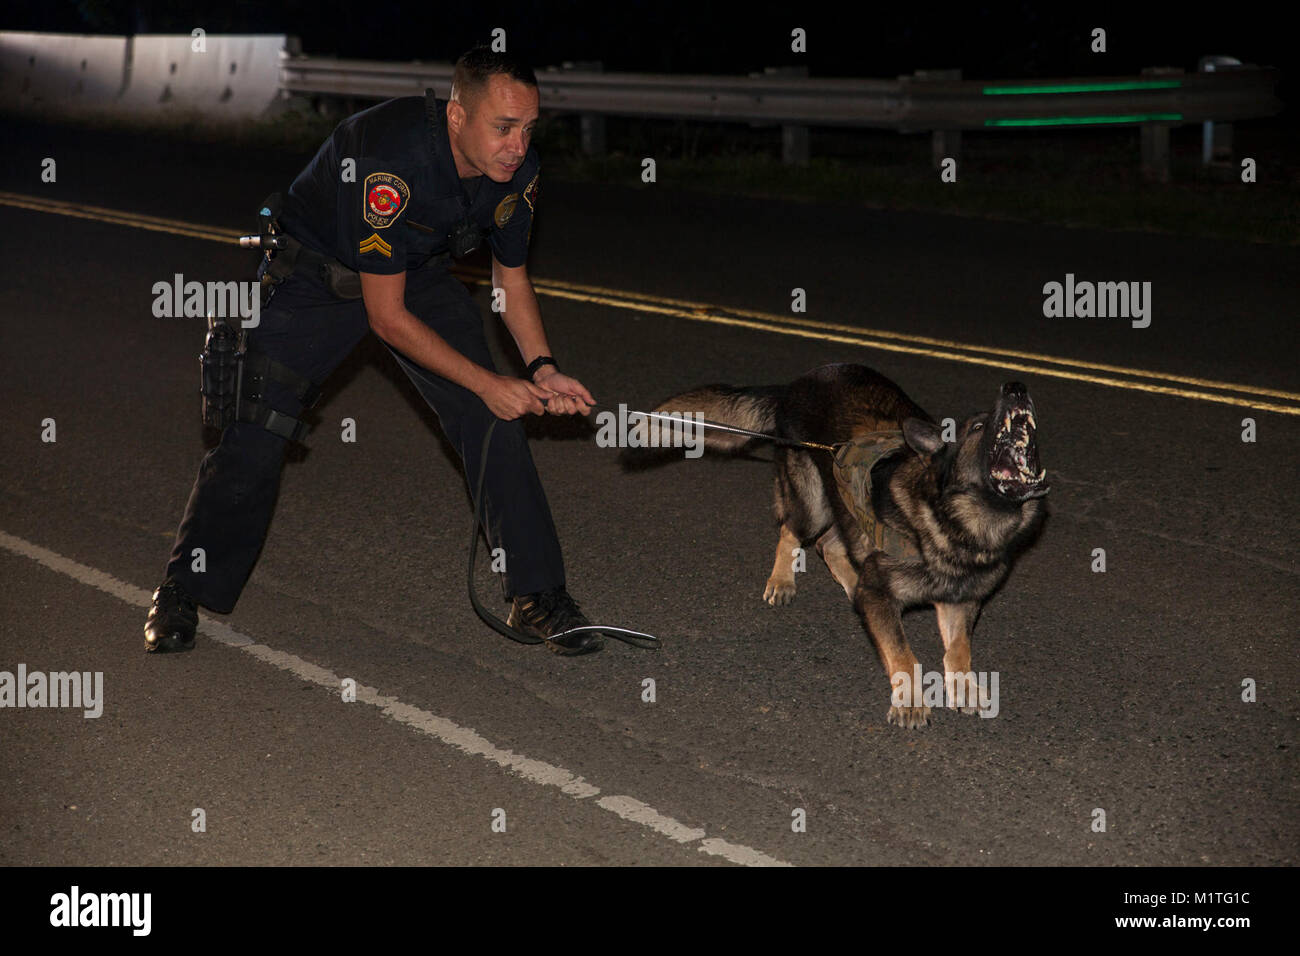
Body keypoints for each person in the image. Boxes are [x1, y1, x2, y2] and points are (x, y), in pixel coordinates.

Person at [145, 47, 605, 656]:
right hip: (317, 277)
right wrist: (490, 382)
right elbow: (386, 320)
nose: (518, 146)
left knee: (492, 414)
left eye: (528, 128)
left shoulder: (518, 171)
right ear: (457, 116)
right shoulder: (390, 161)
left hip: (415, 273)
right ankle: (184, 588)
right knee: (258, 426)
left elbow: (511, 280)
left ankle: (537, 595)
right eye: (503, 127)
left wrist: (542, 369)